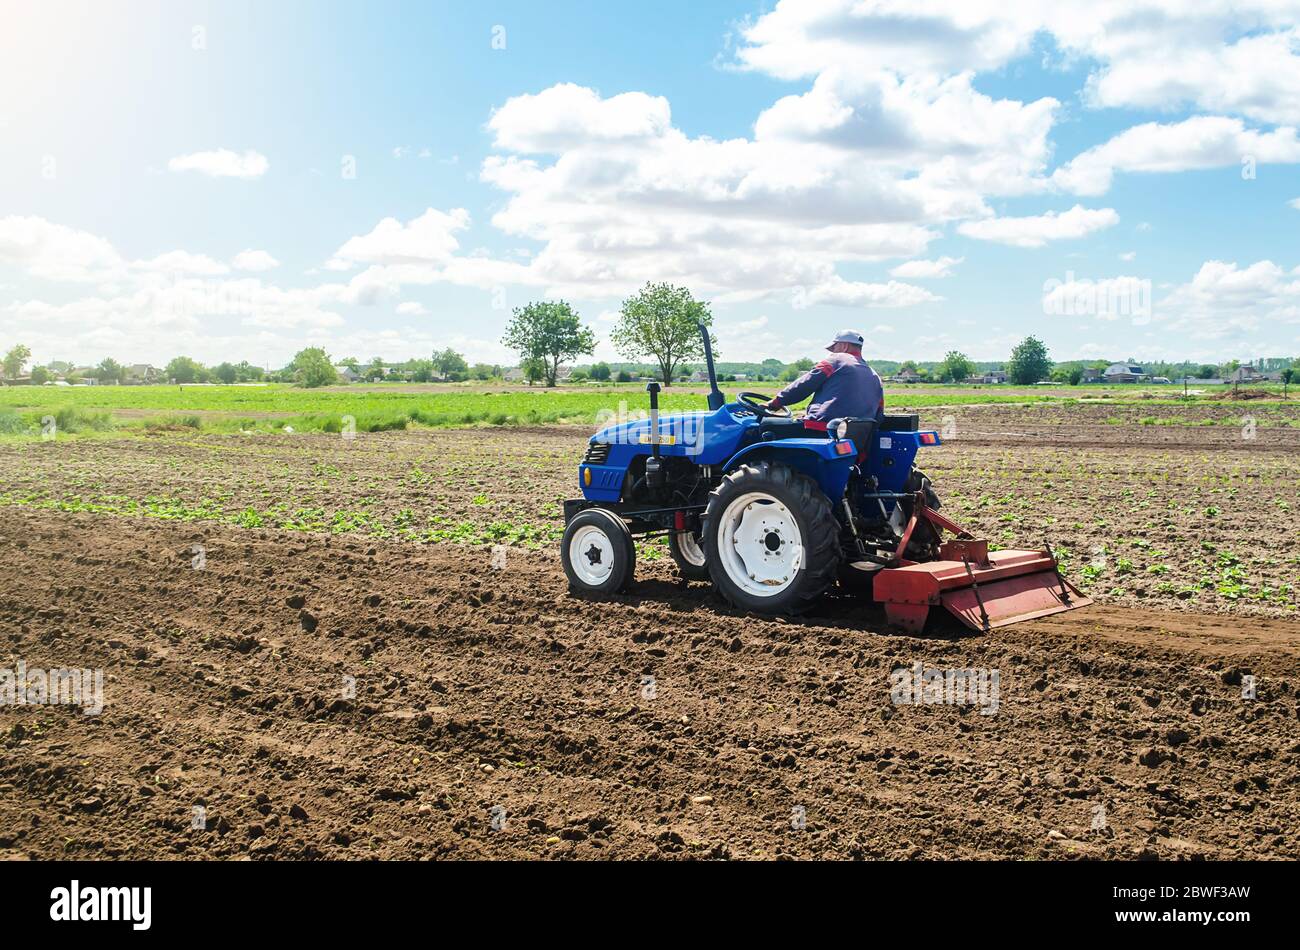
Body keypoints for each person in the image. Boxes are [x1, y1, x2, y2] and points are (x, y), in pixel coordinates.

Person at [766, 329, 884, 430]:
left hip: (823, 428)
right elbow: (879, 413)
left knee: (766, 426)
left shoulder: (836, 360)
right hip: (857, 437)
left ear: (844, 345)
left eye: (834, 347)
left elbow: (805, 385)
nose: (832, 352)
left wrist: (775, 403)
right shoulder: (874, 376)